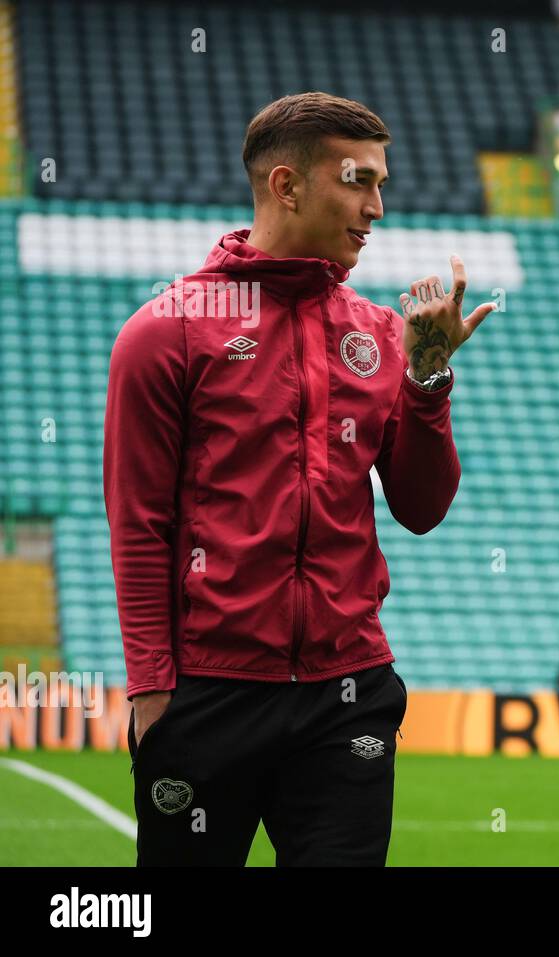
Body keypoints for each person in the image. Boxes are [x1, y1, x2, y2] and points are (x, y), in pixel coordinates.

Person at [103, 91, 495, 866]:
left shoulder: (381, 333)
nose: (376, 207)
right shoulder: (165, 331)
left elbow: (421, 507)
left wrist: (425, 380)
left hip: (347, 693)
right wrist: (152, 691)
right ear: (286, 186)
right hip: (208, 694)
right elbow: (139, 525)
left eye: (382, 184)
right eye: (358, 181)